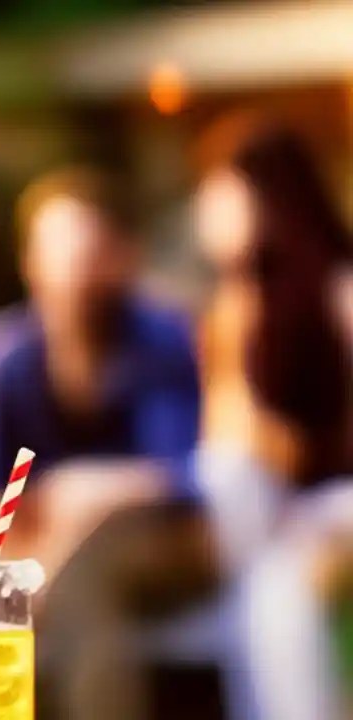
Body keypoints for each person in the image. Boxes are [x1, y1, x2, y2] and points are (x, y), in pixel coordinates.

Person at [0, 167, 202, 561]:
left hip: (149, 571)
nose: (77, 273)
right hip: (32, 576)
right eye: (62, 253)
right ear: (29, 261)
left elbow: (183, 474)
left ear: (125, 256)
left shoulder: (162, 338)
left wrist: (84, 491)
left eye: (92, 253)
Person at [189, 115, 352, 720]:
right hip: (265, 517)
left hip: (334, 501)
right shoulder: (232, 306)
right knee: (266, 590)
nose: (203, 208)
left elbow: (287, 444)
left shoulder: (338, 293)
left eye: (218, 189)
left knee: (277, 598)